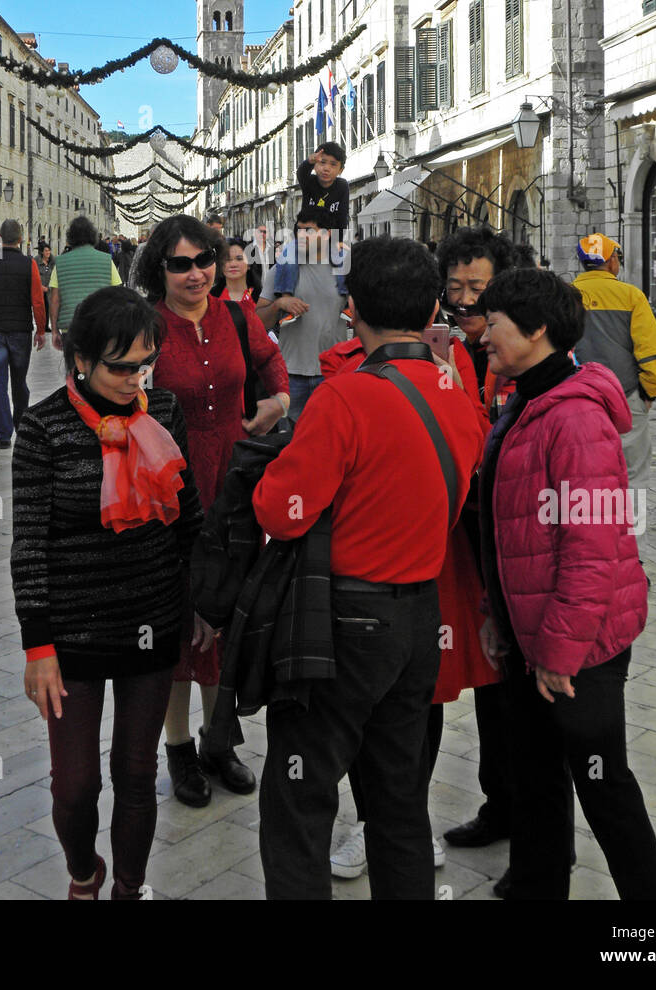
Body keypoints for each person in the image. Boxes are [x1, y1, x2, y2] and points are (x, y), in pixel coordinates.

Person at [252, 236, 485, 900]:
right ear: (434, 305)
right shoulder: (456, 398)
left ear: (350, 310)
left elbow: (280, 512)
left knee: (299, 797)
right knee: (399, 802)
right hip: (418, 617)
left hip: (342, 624)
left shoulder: (344, 399)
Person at [477, 266, 656, 901]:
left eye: (494, 325)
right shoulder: (528, 397)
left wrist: (560, 653)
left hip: (577, 645)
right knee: (535, 776)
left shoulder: (575, 420)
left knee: (602, 783)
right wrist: (498, 616)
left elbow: (591, 552)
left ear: (535, 331)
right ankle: (537, 885)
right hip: (531, 632)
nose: (483, 338)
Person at [12, 287, 205, 900]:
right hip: (71, 630)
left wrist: (200, 599)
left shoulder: (164, 412)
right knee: (74, 786)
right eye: (120, 366)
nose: (134, 379)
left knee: (136, 774)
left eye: (143, 363)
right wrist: (37, 646)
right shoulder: (43, 427)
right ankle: (82, 870)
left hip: (151, 614)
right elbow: (29, 545)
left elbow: (188, 514)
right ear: (81, 360)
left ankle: (127, 887)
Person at [317, 319, 492, 882]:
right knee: (367, 706)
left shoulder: (453, 360)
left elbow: (476, 442)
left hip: (431, 555)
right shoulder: (340, 362)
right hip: (361, 563)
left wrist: (454, 391)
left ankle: (404, 819)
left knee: (424, 697)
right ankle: (374, 821)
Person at [138, 215, 289, 807]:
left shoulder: (235, 315)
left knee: (228, 613)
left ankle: (217, 739)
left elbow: (271, 363)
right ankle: (178, 750)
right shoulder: (147, 323)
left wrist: (277, 401)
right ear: (161, 268)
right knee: (180, 617)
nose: (196, 273)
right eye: (181, 263)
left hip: (234, 479)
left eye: (204, 260)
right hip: (170, 486)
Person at [434, 225, 519, 854]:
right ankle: (497, 803)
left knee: (512, 687)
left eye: (477, 289)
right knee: (475, 679)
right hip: (464, 537)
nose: (464, 301)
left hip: (513, 544)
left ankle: (519, 813)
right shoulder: (445, 350)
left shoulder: (515, 353)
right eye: (454, 287)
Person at [572, 233, 656, 491]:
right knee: (632, 477)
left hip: (577, 399)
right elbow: (651, 352)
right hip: (625, 397)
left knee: (582, 476)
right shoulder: (631, 296)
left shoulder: (566, 295)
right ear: (612, 260)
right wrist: (649, 394)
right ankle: (631, 531)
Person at [255, 210, 347, 423]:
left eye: (309, 230)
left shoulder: (345, 272)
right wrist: (279, 304)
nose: (302, 236)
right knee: (288, 444)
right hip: (290, 376)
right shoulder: (281, 271)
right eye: (299, 230)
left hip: (334, 374)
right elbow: (257, 322)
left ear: (327, 234)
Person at [0, 219, 47, 449]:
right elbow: (37, 299)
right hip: (20, 331)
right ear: (21, 239)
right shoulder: (29, 264)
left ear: (0, 239)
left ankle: (4, 434)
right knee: (19, 382)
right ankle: (21, 428)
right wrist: (41, 330)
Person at [49, 216, 121, 350]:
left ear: (70, 237)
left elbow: (55, 299)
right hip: (100, 325)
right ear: (93, 236)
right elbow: (117, 295)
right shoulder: (106, 260)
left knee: (73, 368)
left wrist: (54, 331)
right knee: (98, 367)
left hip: (70, 326)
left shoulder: (60, 263)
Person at [297, 142, 349, 237]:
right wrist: (309, 161)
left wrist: (338, 241)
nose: (326, 168)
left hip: (330, 238)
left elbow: (342, 217)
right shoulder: (309, 181)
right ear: (314, 166)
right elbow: (301, 173)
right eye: (322, 162)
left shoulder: (342, 186)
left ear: (341, 170)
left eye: (333, 164)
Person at [211, 236, 261, 304]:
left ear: (249, 264)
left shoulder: (261, 296)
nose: (233, 264)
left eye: (239, 259)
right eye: (227, 259)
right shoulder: (211, 297)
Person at [35, 243, 55, 331]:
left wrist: (48, 288)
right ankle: (40, 325)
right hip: (39, 288)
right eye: (46, 251)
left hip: (48, 289)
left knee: (48, 308)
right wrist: (40, 286)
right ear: (42, 252)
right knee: (39, 308)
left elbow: (55, 275)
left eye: (49, 250)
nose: (48, 252)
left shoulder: (52, 261)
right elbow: (34, 275)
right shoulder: (36, 261)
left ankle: (46, 326)